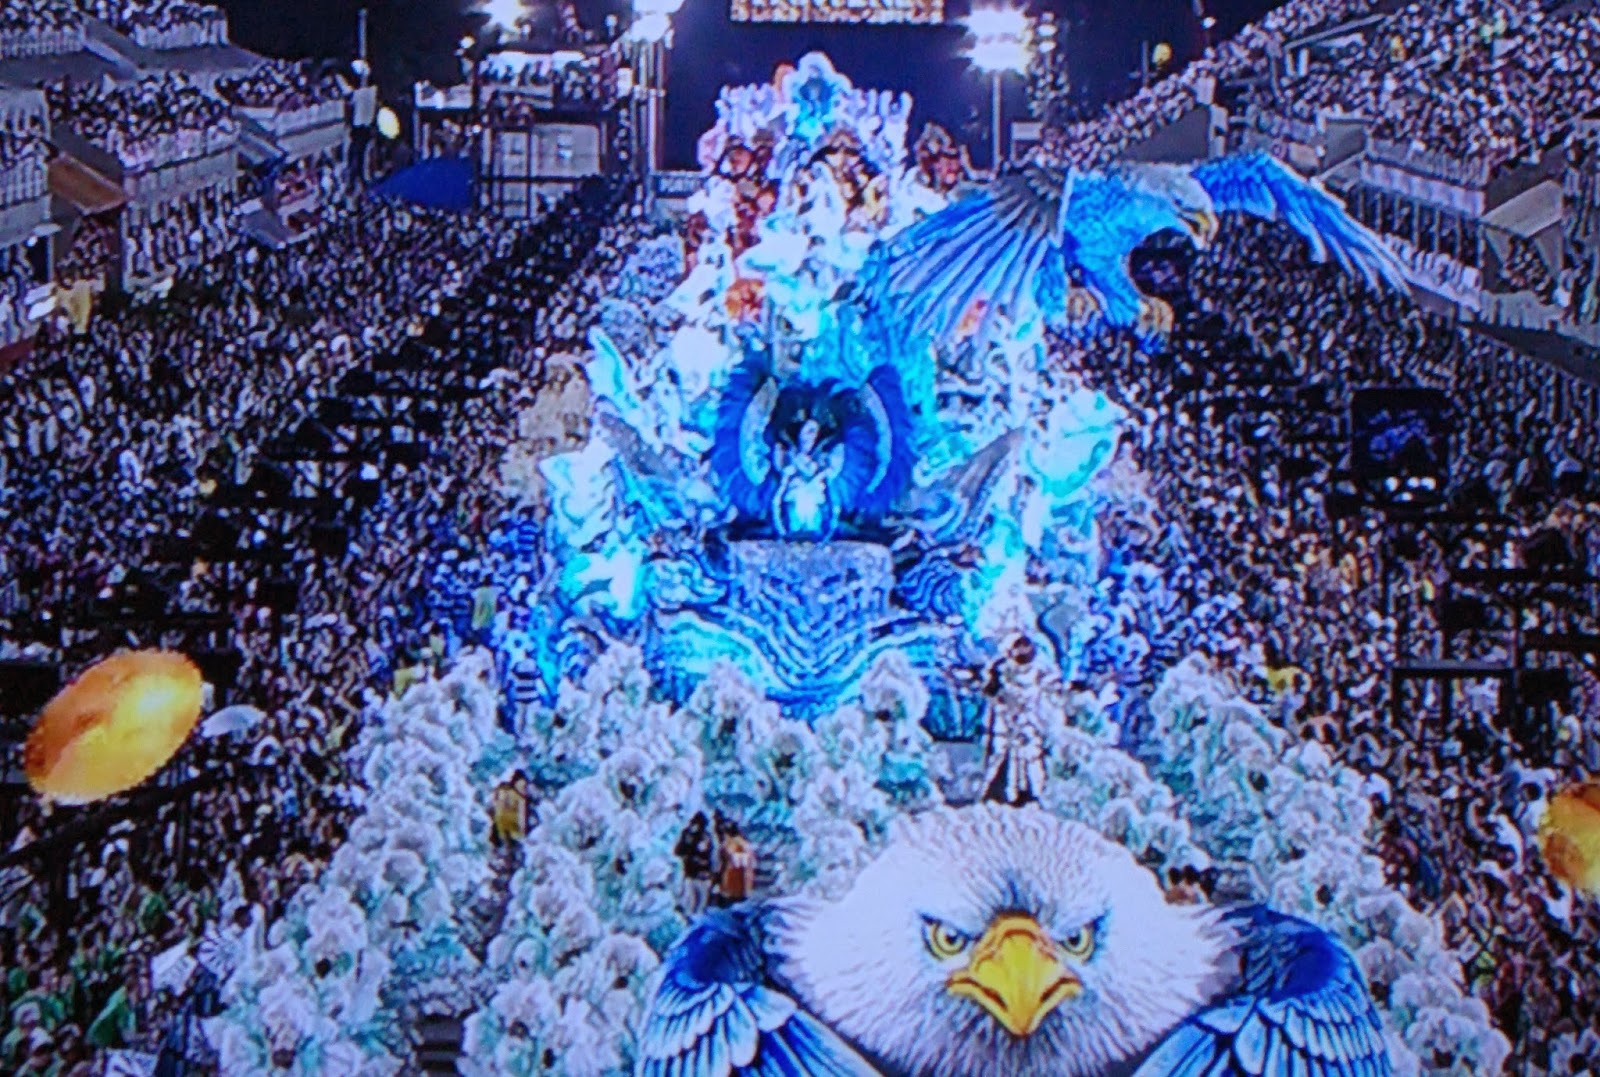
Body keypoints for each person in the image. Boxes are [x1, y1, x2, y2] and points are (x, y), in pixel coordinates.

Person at [674, 811, 715, 916]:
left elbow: (707, 853)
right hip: (690, 872)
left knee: (701, 898)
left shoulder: (705, 837)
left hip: (701, 873)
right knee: (691, 896)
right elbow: (678, 851)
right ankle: (689, 914)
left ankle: (697, 915)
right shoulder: (687, 834)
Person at [713, 814, 756, 906]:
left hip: (729, 888)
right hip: (744, 888)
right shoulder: (746, 845)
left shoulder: (729, 845)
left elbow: (721, 866)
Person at [489, 770, 530, 850]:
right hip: (507, 833)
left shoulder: (520, 798)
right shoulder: (509, 794)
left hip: (507, 833)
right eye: (523, 786)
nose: (524, 789)